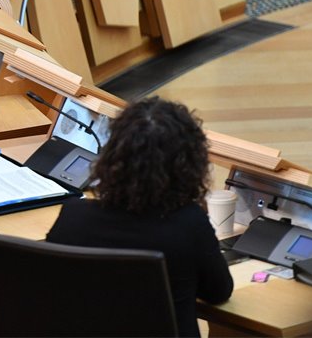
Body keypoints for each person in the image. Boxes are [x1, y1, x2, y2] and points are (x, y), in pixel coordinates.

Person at [46, 97, 233, 337]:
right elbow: (218, 291)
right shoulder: (188, 224)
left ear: (111, 155)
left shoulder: (74, 216)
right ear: (189, 165)